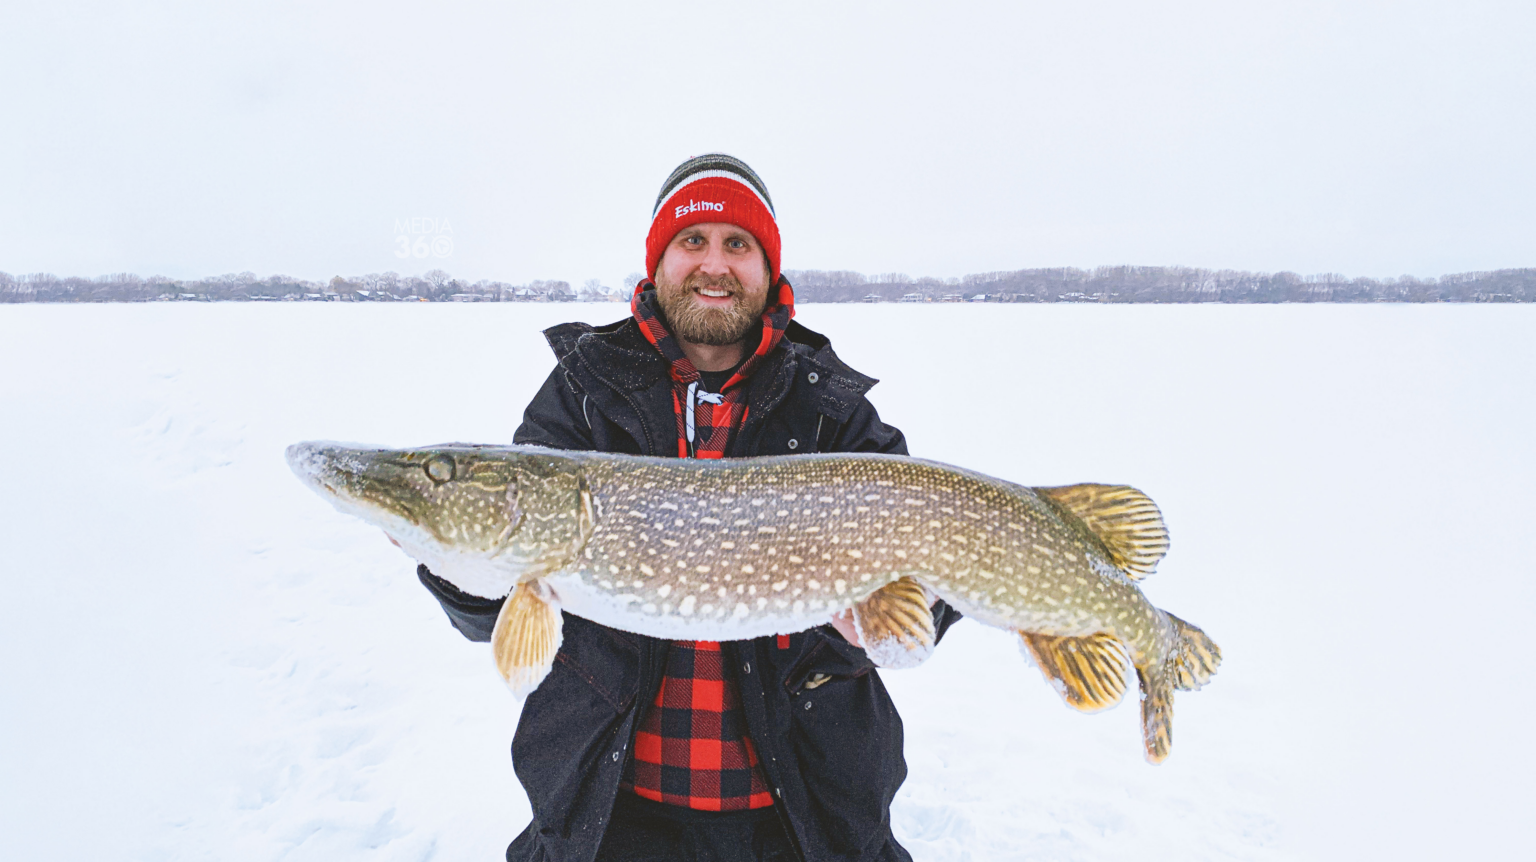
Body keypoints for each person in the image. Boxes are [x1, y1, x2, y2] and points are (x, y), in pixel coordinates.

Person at [416, 154, 961, 862]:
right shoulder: (583, 395)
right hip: (610, 818)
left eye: (738, 244)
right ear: (659, 261)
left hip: (805, 817)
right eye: (692, 241)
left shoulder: (832, 410)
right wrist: (459, 567)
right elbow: (504, 605)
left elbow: (944, 571)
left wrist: (892, 628)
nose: (715, 264)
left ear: (768, 270)